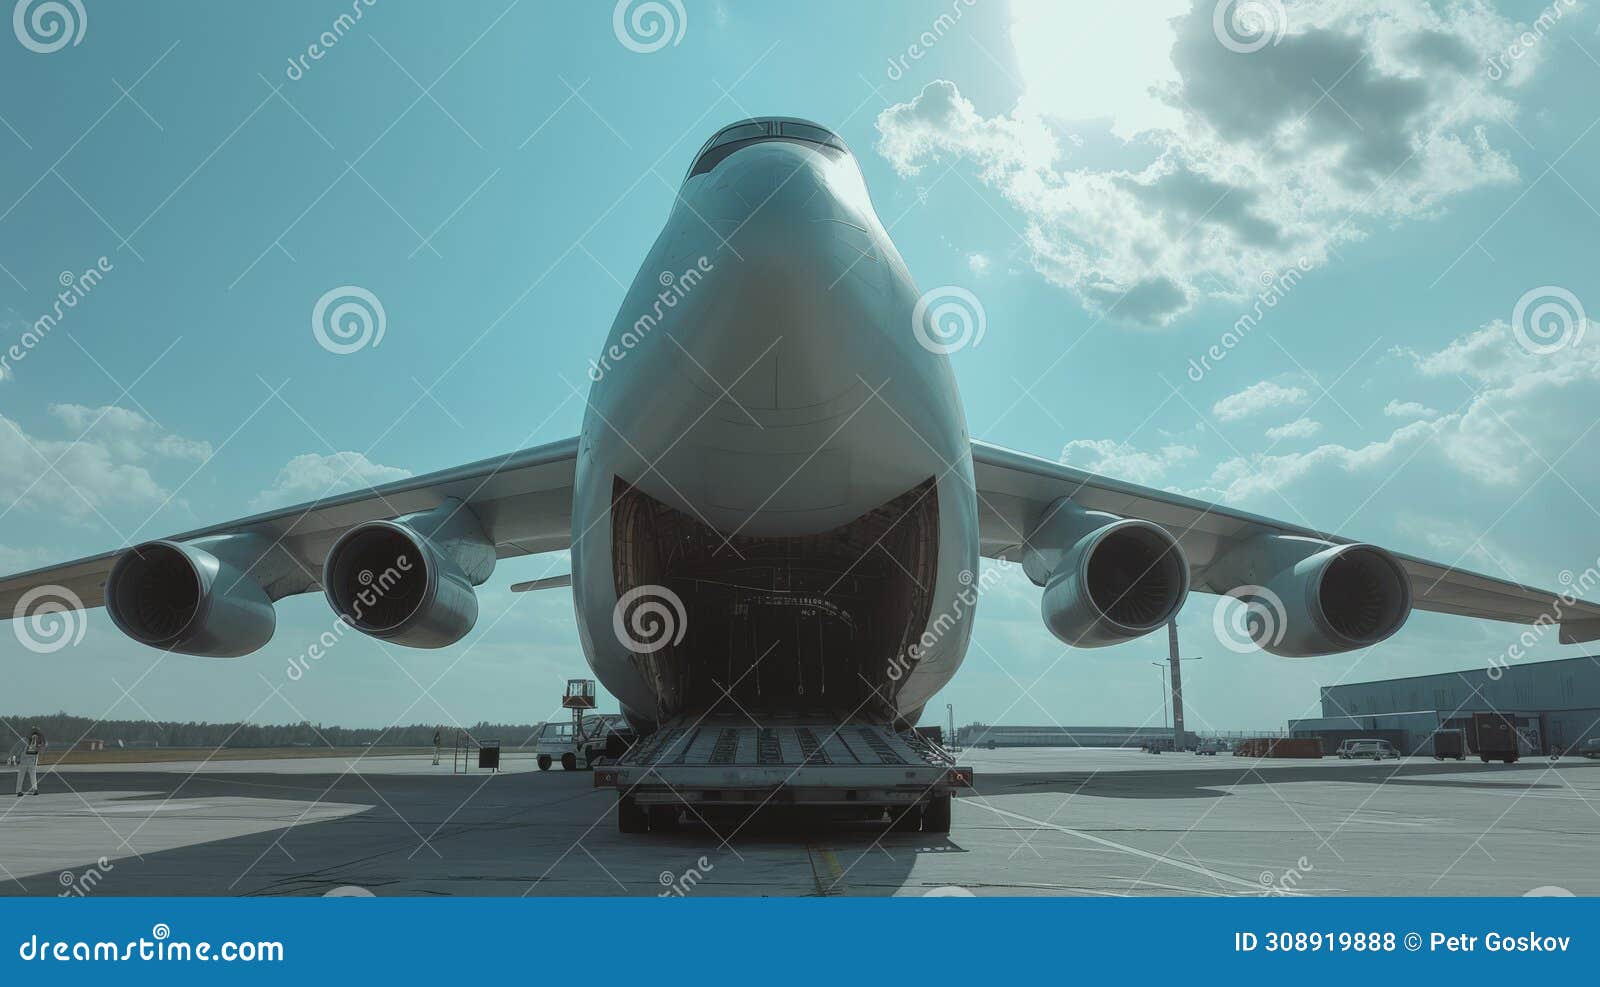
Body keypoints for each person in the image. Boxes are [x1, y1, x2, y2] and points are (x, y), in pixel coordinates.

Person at [15, 726, 43, 797]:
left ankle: (19, 791)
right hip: (29, 760)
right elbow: (38, 752)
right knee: (32, 776)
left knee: (22, 776)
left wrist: (17, 758)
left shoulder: (27, 739)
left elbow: (20, 749)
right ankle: (34, 789)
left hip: (26, 760)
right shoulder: (39, 741)